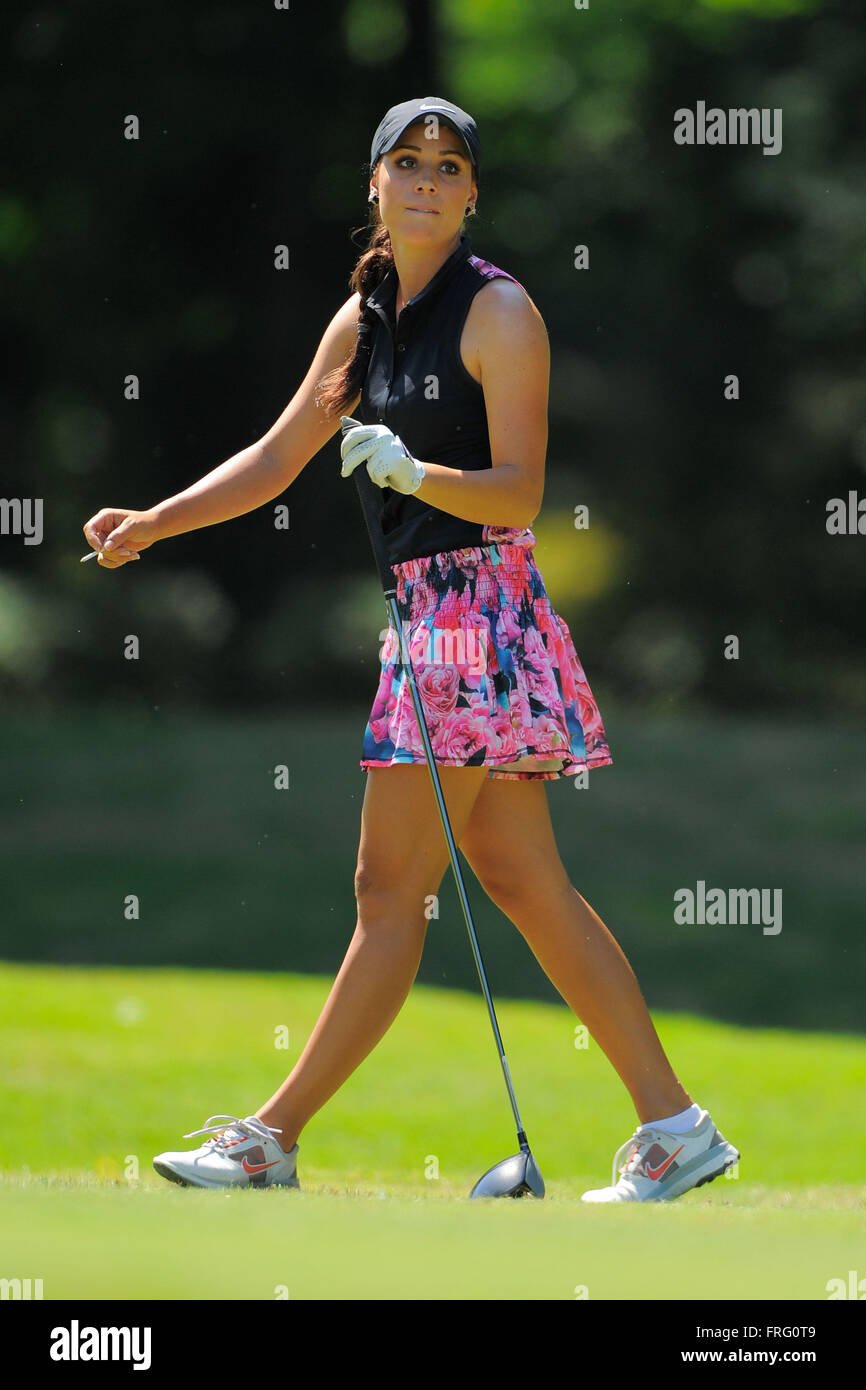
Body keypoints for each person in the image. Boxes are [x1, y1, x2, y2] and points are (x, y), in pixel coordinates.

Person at [82, 96, 738, 1202]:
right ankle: (674, 1128)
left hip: (476, 616)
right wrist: (155, 520)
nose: (427, 179)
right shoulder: (363, 315)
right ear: (373, 185)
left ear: (473, 192)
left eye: (449, 165)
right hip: (426, 619)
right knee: (522, 880)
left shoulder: (498, 313)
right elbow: (278, 454)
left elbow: (520, 491)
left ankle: (270, 1139)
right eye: (407, 162)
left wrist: (412, 472)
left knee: (389, 890)